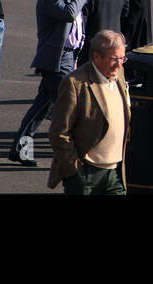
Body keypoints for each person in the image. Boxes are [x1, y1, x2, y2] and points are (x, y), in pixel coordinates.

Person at [10, 0, 87, 166]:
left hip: (66, 56)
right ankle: (75, 152)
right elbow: (69, 15)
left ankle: (20, 149)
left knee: (42, 106)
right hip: (56, 59)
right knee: (69, 106)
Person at [47, 29, 130, 195]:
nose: (119, 64)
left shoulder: (119, 74)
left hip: (115, 173)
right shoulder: (75, 84)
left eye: (122, 58)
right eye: (114, 59)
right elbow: (59, 133)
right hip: (87, 174)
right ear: (96, 57)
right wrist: (74, 170)